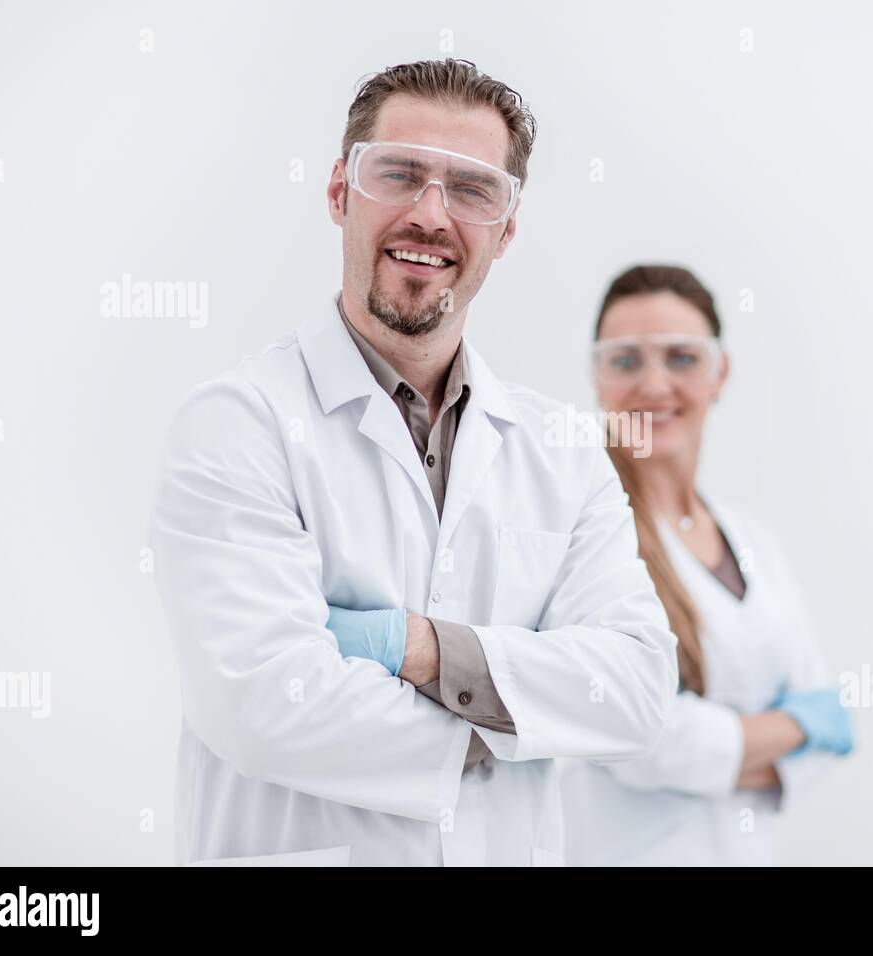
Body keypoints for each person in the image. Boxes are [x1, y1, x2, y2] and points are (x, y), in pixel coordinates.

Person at [147, 61, 678, 867]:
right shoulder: (238, 423)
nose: (430, 215)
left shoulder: (561, 449)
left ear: (506, 228)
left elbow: (637, 689)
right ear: (339, 193)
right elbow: (262, 705)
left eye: (472, 189)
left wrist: (417, 650)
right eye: (399, 174)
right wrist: (523, 718)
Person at [559, 265, 853, 866]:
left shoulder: (754, 541)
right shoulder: (579, 531)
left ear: (721, 374)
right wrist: (798, 727)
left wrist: (717, 750)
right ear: (596, 376)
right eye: (625, 360)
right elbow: (632, 734)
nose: (654, 383)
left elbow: (823, 713)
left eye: (682, 358)